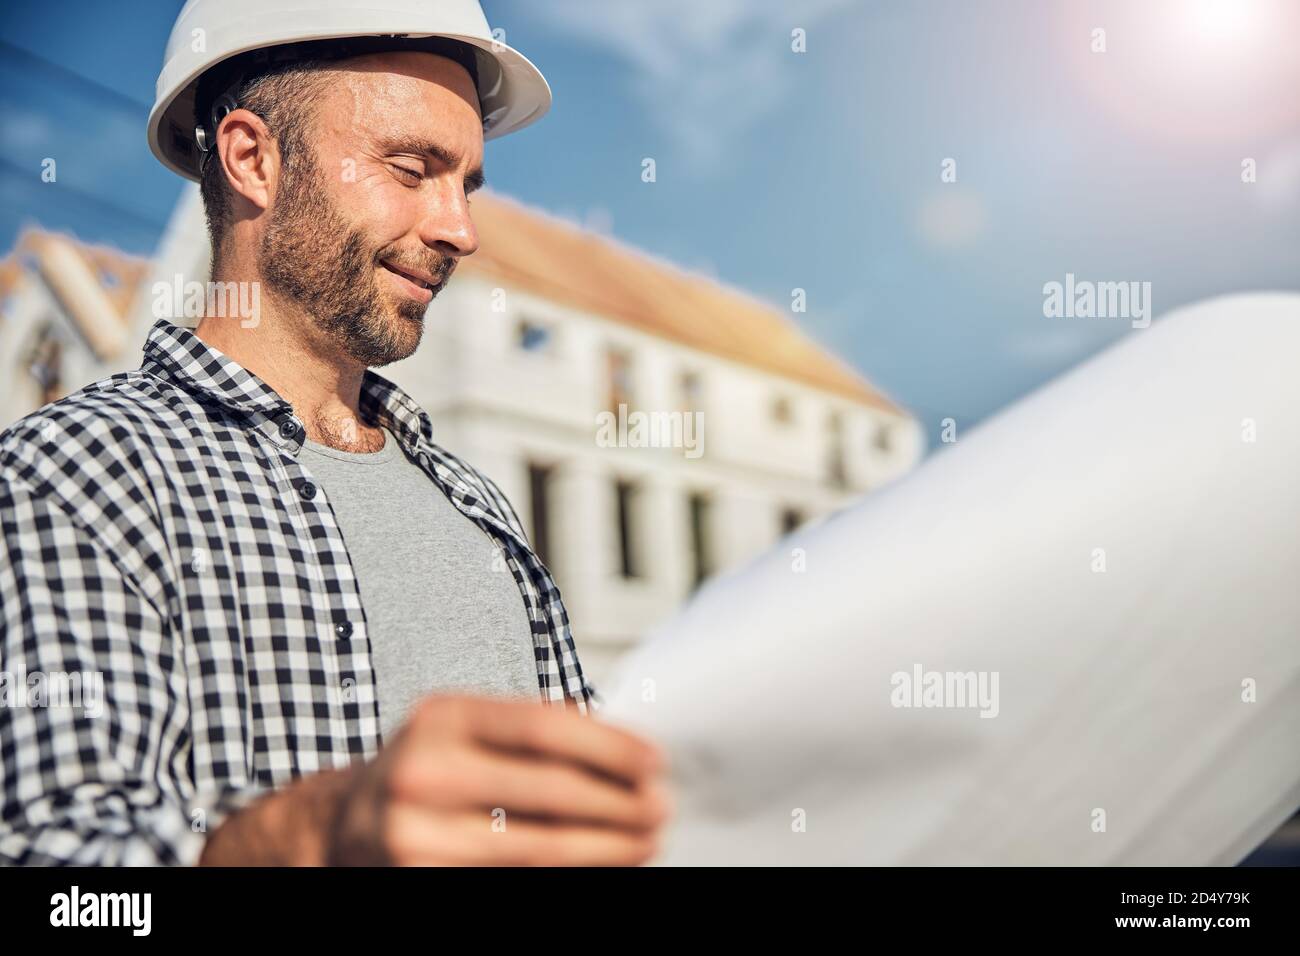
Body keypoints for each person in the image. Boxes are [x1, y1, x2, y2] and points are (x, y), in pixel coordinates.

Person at [0, 0, 669, 866]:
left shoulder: (478, 509)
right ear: (252, 159)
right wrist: (314, 835)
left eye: (465, 185)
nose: (459, 229)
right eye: (411, 167)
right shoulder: (74, 480)